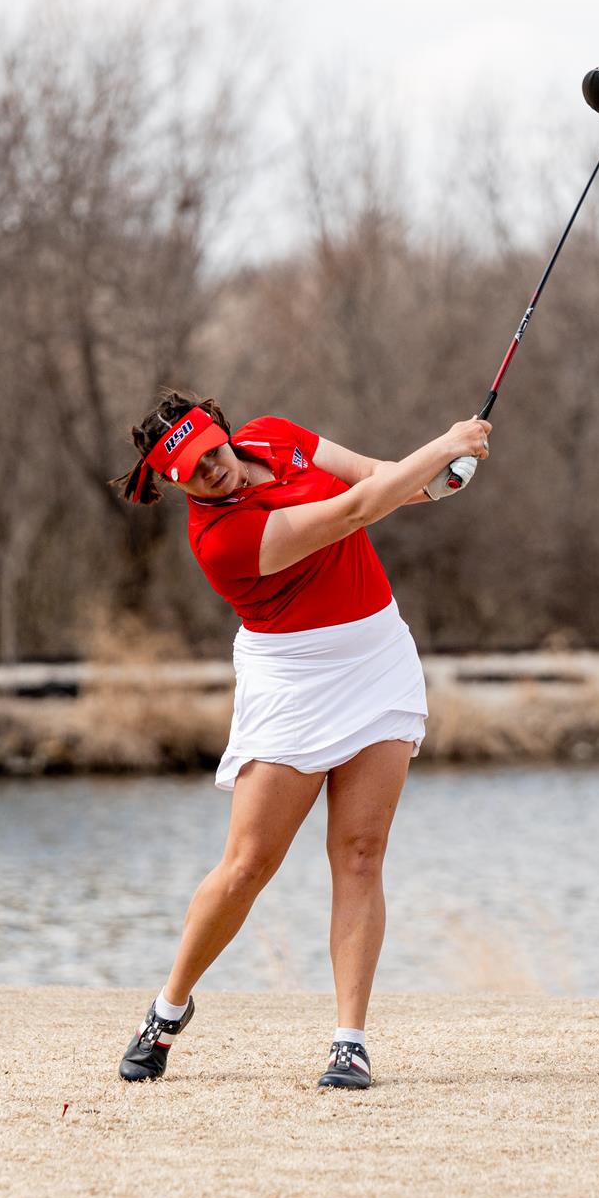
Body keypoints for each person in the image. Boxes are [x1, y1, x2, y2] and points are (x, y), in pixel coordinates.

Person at [108, 389, 492, 1089]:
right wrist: (441, 445)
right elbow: (352, 511)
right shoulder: (218, 540)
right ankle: (167, 1010)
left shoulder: (277, 436)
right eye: (190, 470)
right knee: (248, 863)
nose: (211, 471)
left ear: (223, 431)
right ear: (171, 480)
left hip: (375, 657)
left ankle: (350, 1041)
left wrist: (437, 481)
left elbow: (374, 479)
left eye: (212, 452)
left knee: (359, 853)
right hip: (292, 680)